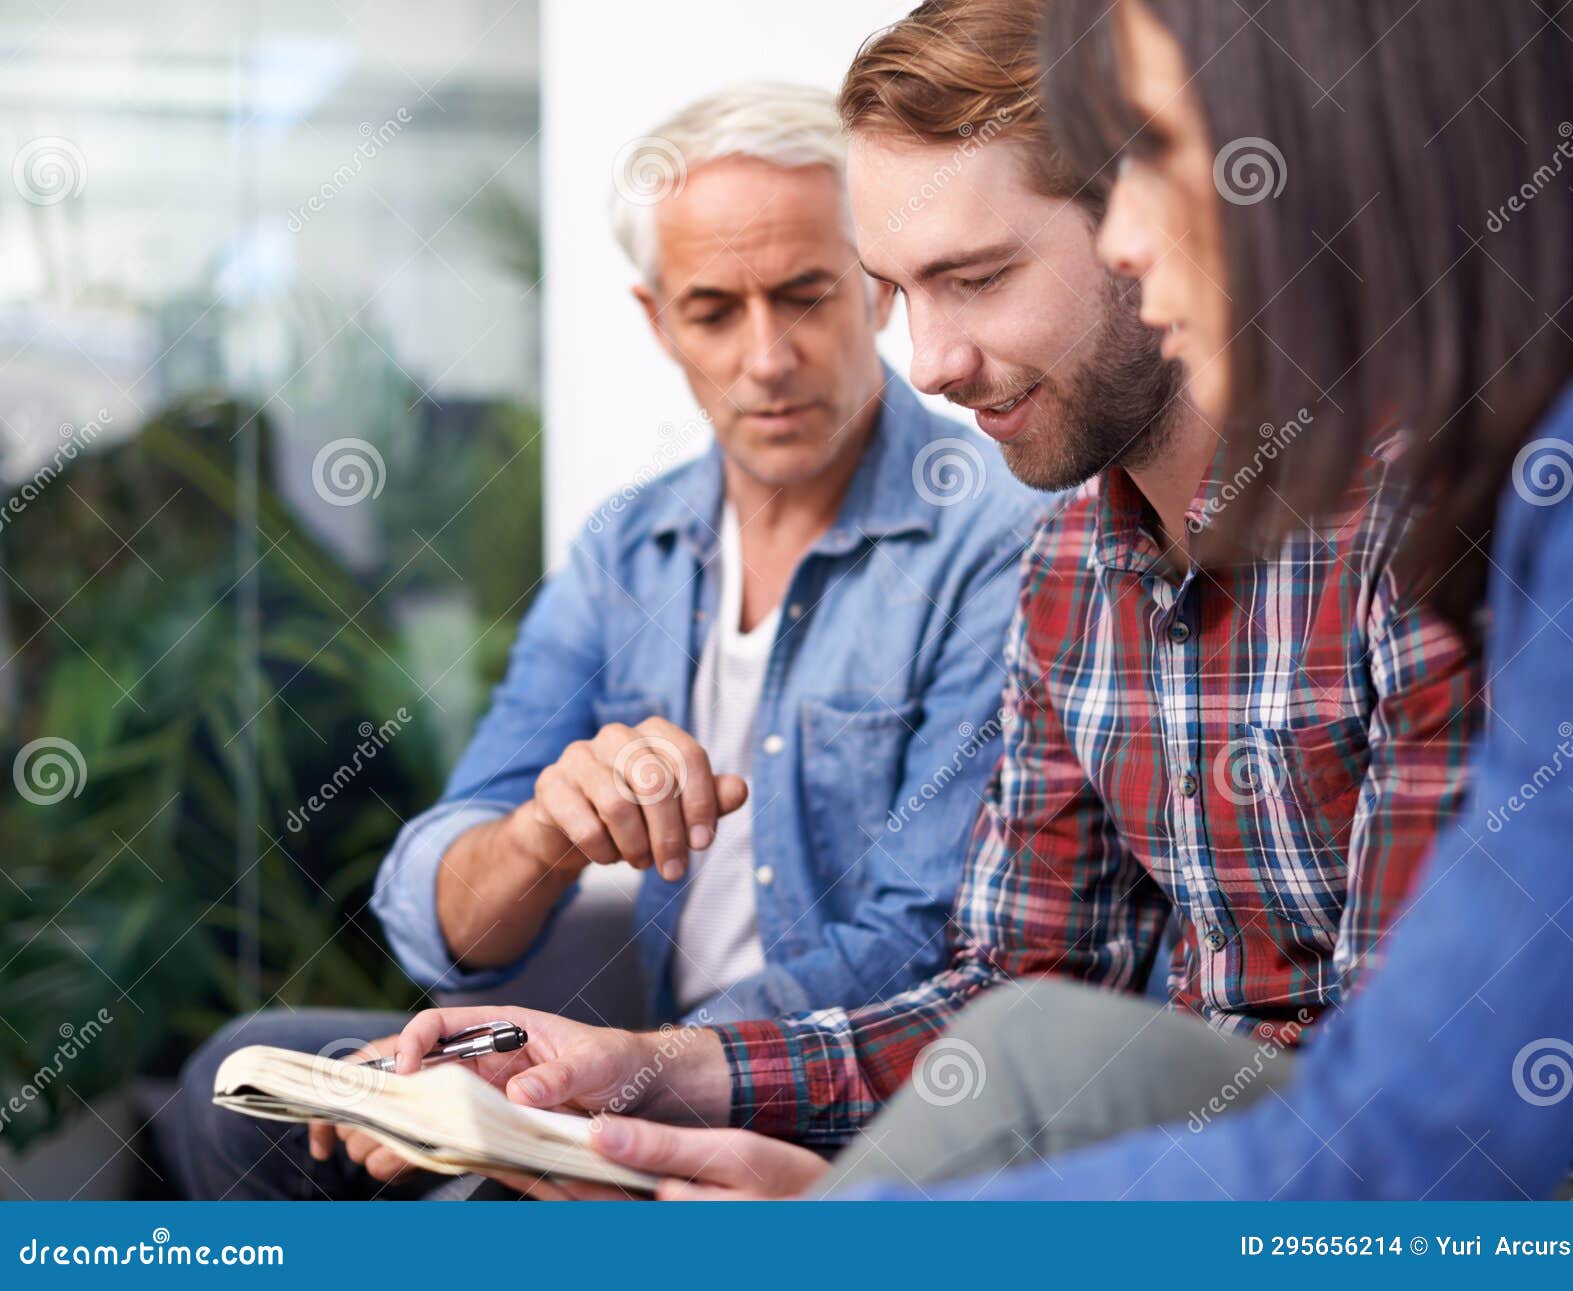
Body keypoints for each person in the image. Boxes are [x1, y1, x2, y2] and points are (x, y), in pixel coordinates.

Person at [382, 0, 1482, 1201]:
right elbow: (1004, 982)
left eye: (977, 277)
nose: (933, 363)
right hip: (1151, 1160)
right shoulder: (1070, 560)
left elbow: (1415, 1075)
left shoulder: (1423, 527)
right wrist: (654, 1067)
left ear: (1151, 222)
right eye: (900, 292)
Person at [172, 82, 1045, 1201]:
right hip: (649, 1049)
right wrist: (540, 835)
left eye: (805, 295)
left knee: (479, 1198)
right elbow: (437, 905)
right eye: (715, 310)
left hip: (852, 1088)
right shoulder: (627, 550)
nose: (766, 357)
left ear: (874, 288)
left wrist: (624, 1072)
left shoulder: (993, 532)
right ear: (657, 320)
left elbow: (923, 942)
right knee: (236, 1091)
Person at [873, 0, 1573, 1199]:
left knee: (1031, 1061)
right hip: (1328, 1154)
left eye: (1157, 150)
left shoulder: (1496, 507)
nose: (1124, 235)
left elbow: (1412, 1130)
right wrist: (686, 1075)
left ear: (1335, 133)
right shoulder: (1068, 559)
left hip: (1456, 1190)